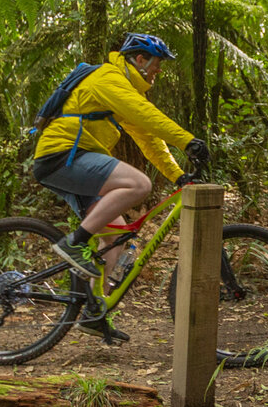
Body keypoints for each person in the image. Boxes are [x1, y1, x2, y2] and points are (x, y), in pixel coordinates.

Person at [29, 32, 208, 341]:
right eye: (157, 64)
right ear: (140, 59)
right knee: (139, 183)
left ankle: (93, 312)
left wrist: (178, 174)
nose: (159, 71)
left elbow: (148, 138)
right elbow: (145, 114)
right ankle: (74, 242)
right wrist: (187, 141)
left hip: (76, 159)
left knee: (117, 239)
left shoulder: (122, 90)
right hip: (63, 154)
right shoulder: (108, 77)